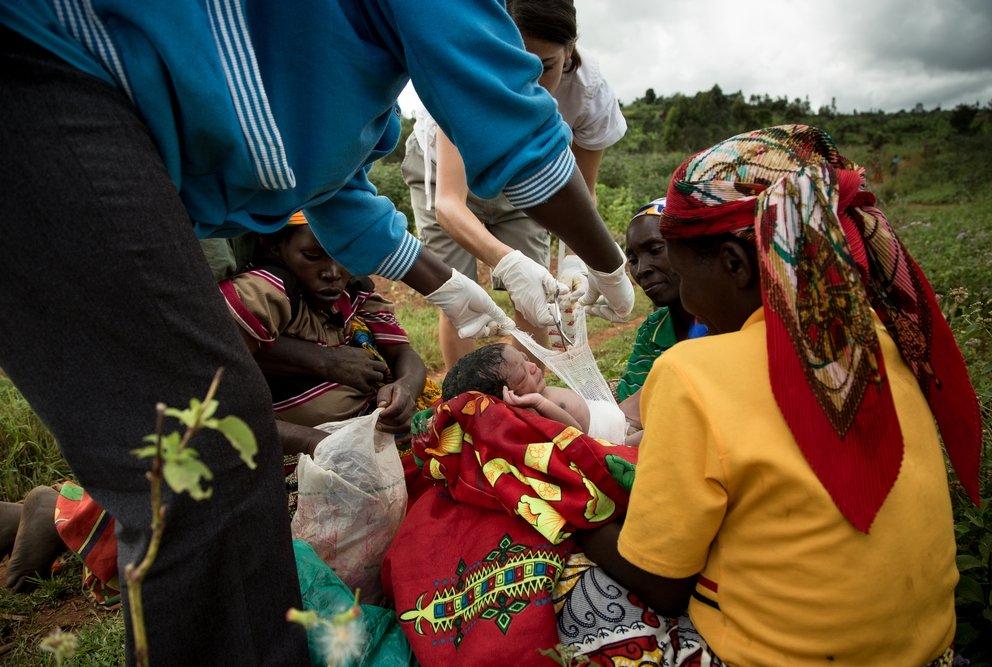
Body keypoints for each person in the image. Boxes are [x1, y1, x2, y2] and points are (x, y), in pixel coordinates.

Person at [0, 1, 634, 661]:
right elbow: (514, 134)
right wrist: (608, 264)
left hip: (95, 110)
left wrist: (449, 288)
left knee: (193, 452)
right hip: (47, 73)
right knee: (207, 440)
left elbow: (339, 197)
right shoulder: (266, 294)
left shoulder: (358, 265)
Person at [577, 125, 982, 666]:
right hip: (928, 651)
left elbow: (662, 584)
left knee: (571, 588)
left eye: (682, 269)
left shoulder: (691, 373)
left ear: (734, 264)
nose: (687, 298)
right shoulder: (881, 341)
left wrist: (578, 526)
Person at [403, 0, 628, 368]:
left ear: (570, 49)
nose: (527, 83)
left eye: (545, 68)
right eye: (513, 64)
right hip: (445, 175)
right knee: (461, 297)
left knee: (536, 300)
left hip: (526, 179)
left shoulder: (590, 91)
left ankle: (522, 404)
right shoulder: (466, 76)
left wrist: (575, 260)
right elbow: (449, 204)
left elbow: (582, 190)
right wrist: (506, 262)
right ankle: (469, 401)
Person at [222, 213, 428, 433]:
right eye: (312, 256)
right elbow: (220, 351)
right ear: (274, 246)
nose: (332, 272)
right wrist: (325, 361)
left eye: (344, 256)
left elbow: (402, 353)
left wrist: (406, 388)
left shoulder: (353, 292)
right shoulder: (268, 292)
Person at [442, 343, 640, 444]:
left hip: (619, 414)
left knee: (661, 379)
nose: (533, 367)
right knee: (664, 433)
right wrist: (539, 403)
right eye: (522, 376)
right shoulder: (533, 414)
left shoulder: (538, 391)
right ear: (508, 400)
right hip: (617, 444)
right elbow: (576, 439)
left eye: (525, 359)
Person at [617, 198, 706, 404]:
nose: (641, 270)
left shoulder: (727, 322)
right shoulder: (652, 331)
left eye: (655, 250)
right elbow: (630, 406)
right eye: (633, 260)